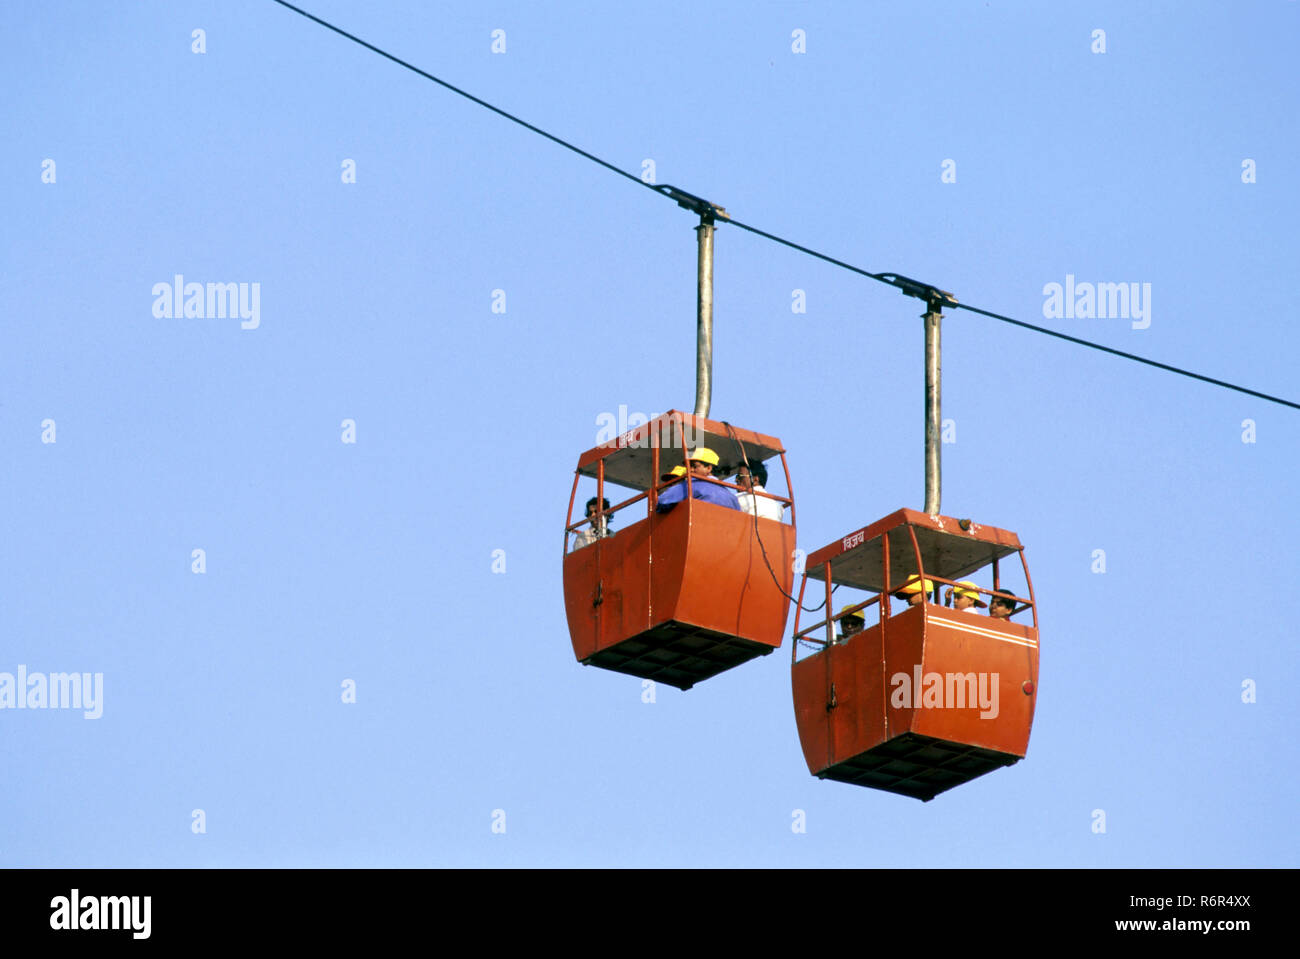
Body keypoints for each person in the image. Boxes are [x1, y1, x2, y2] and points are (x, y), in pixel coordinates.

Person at [655, 448, 740, 512]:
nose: (690, 470)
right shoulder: (731, 496)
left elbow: (662, 501)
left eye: (695, 466)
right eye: (689, 467)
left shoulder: (691, 485)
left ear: (709, 468)